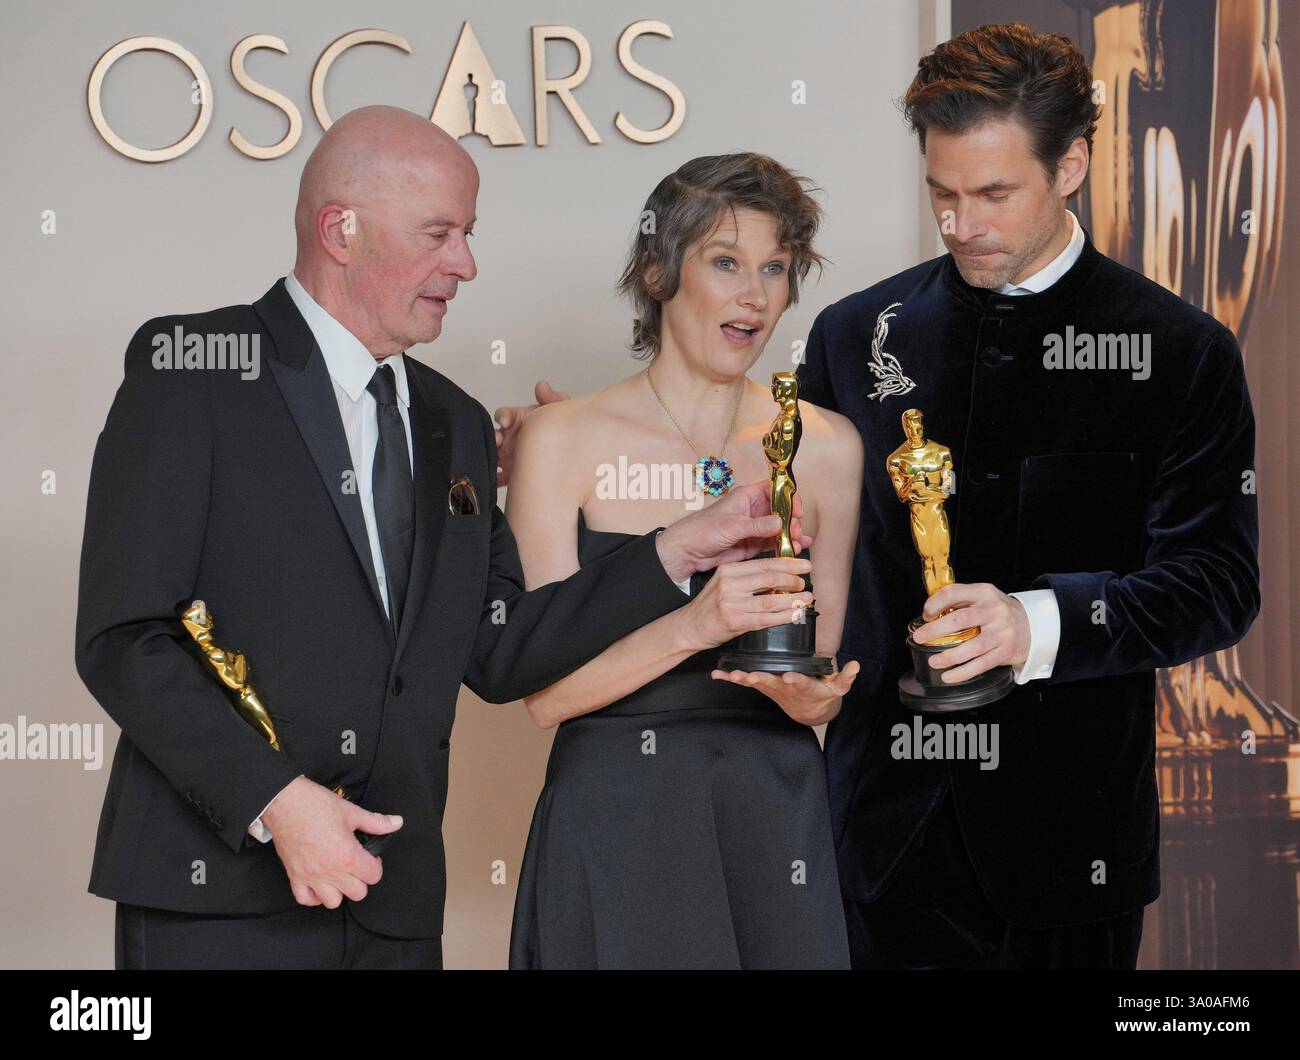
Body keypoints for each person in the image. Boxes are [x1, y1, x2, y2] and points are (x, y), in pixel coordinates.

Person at [74, 106, 810, 970]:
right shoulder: (192, 366)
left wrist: (674, 551)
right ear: (340, 229)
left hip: (395, 904)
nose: (465, 264)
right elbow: (124, 638)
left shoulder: (450, 421)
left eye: (467, 233)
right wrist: (277, 803)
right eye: (440, 234)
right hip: (221, 897)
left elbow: (502, 651)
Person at [796, 23, 1259, 968]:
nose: (963, 224)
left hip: (1071, 852)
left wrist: (1035, 623)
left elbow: (1218, 584)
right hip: (880, 847)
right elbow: (792, 536)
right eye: (943, 195)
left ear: (1073, 163)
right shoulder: (852, 336)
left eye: (994, 193)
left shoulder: (1181, 352)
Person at [504, 153, 863, 968]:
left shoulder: (829, 446)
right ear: (658, 269)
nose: (756, 295)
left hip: (773, 805)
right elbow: (546, 694)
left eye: (775, 268)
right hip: (614, 809)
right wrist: (700, 624)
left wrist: (817, 706)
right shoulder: (562, 440)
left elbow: (820, 665)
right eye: (726, 263)